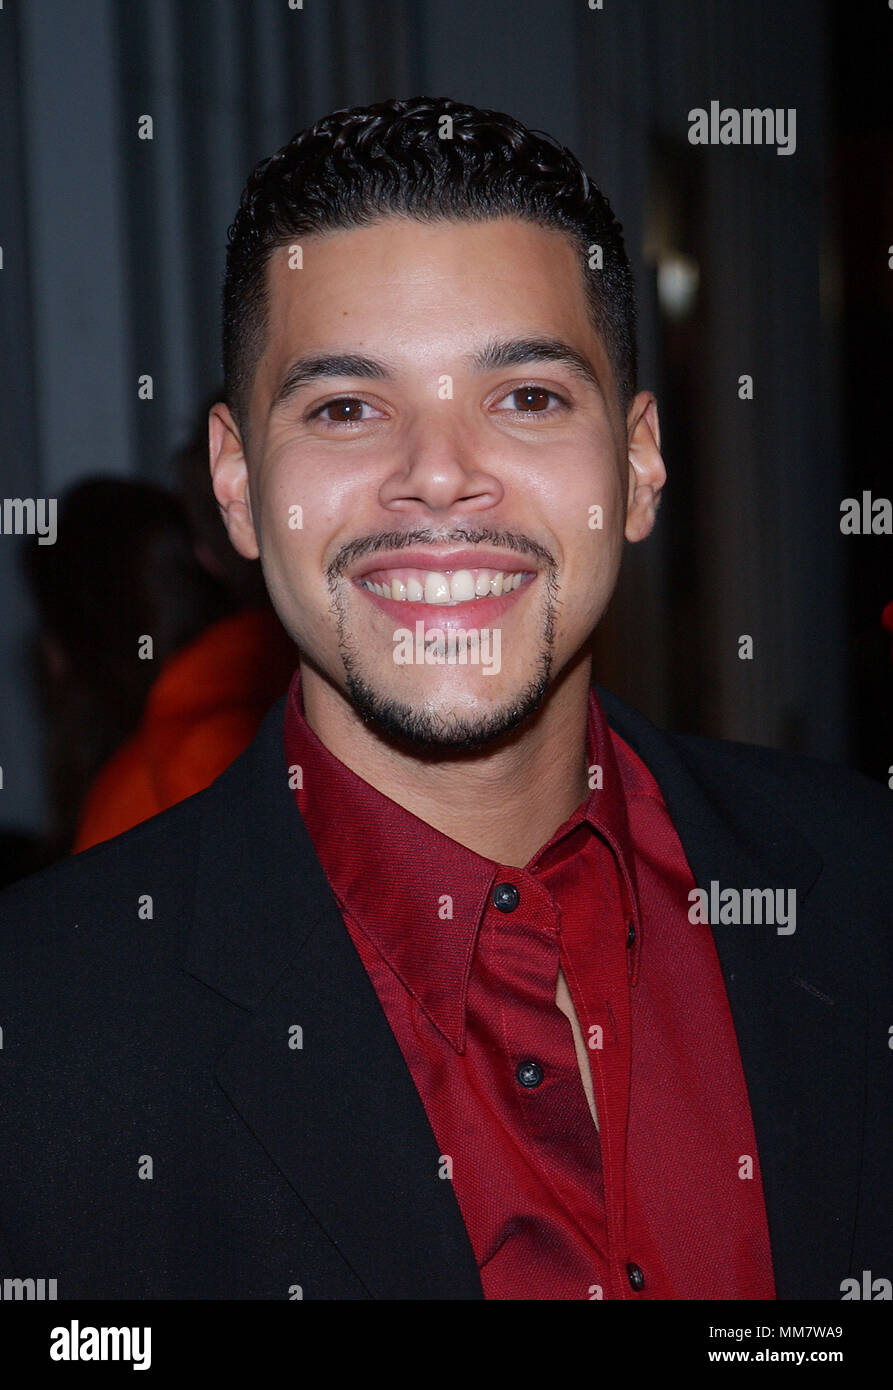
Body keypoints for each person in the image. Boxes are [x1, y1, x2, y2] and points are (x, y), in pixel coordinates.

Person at [0, 96, 889, 1301]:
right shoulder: (46, 1030)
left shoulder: (858, 881)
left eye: (523, 395)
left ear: (635, 466)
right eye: (345, 407)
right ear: (237, 482)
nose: (435, 475)